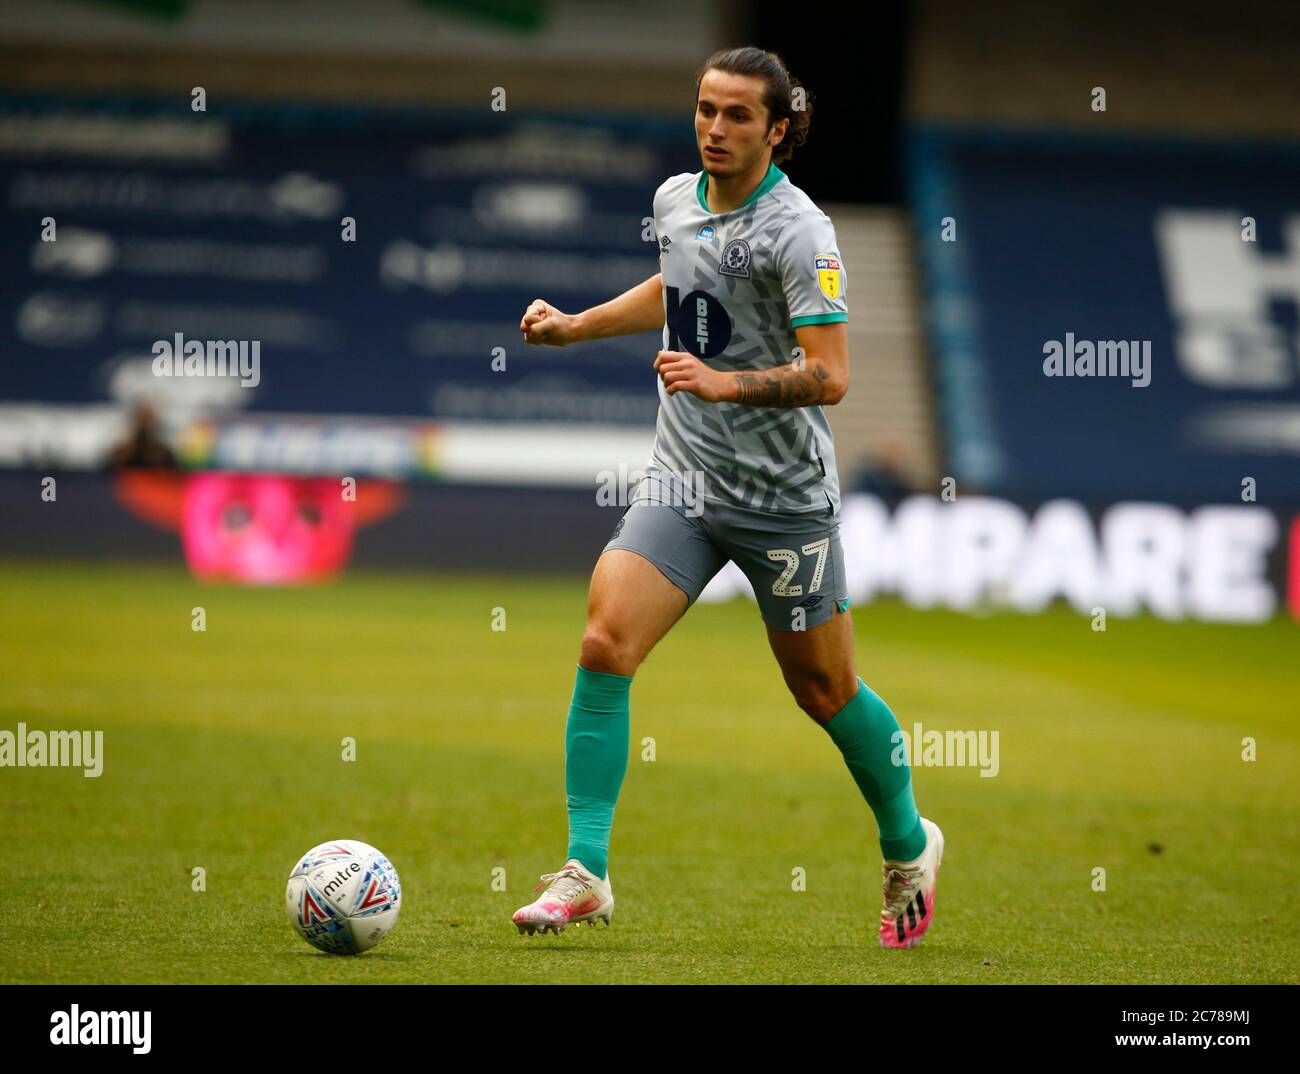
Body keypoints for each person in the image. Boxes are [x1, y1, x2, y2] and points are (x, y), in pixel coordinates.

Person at [513, 46, 943, 949]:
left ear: (778, 130)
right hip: (685, 479)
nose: (714, 128)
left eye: (738, 115)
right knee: (604, 640)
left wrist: (725, 384)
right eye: (706, 109)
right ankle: (585, 869)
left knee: (824, 691)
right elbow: (680, 286)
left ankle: (909, 842)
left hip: (784, 497)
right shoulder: (676, 199)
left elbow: (830, 378)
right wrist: (577, 328)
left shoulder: (802, 233)